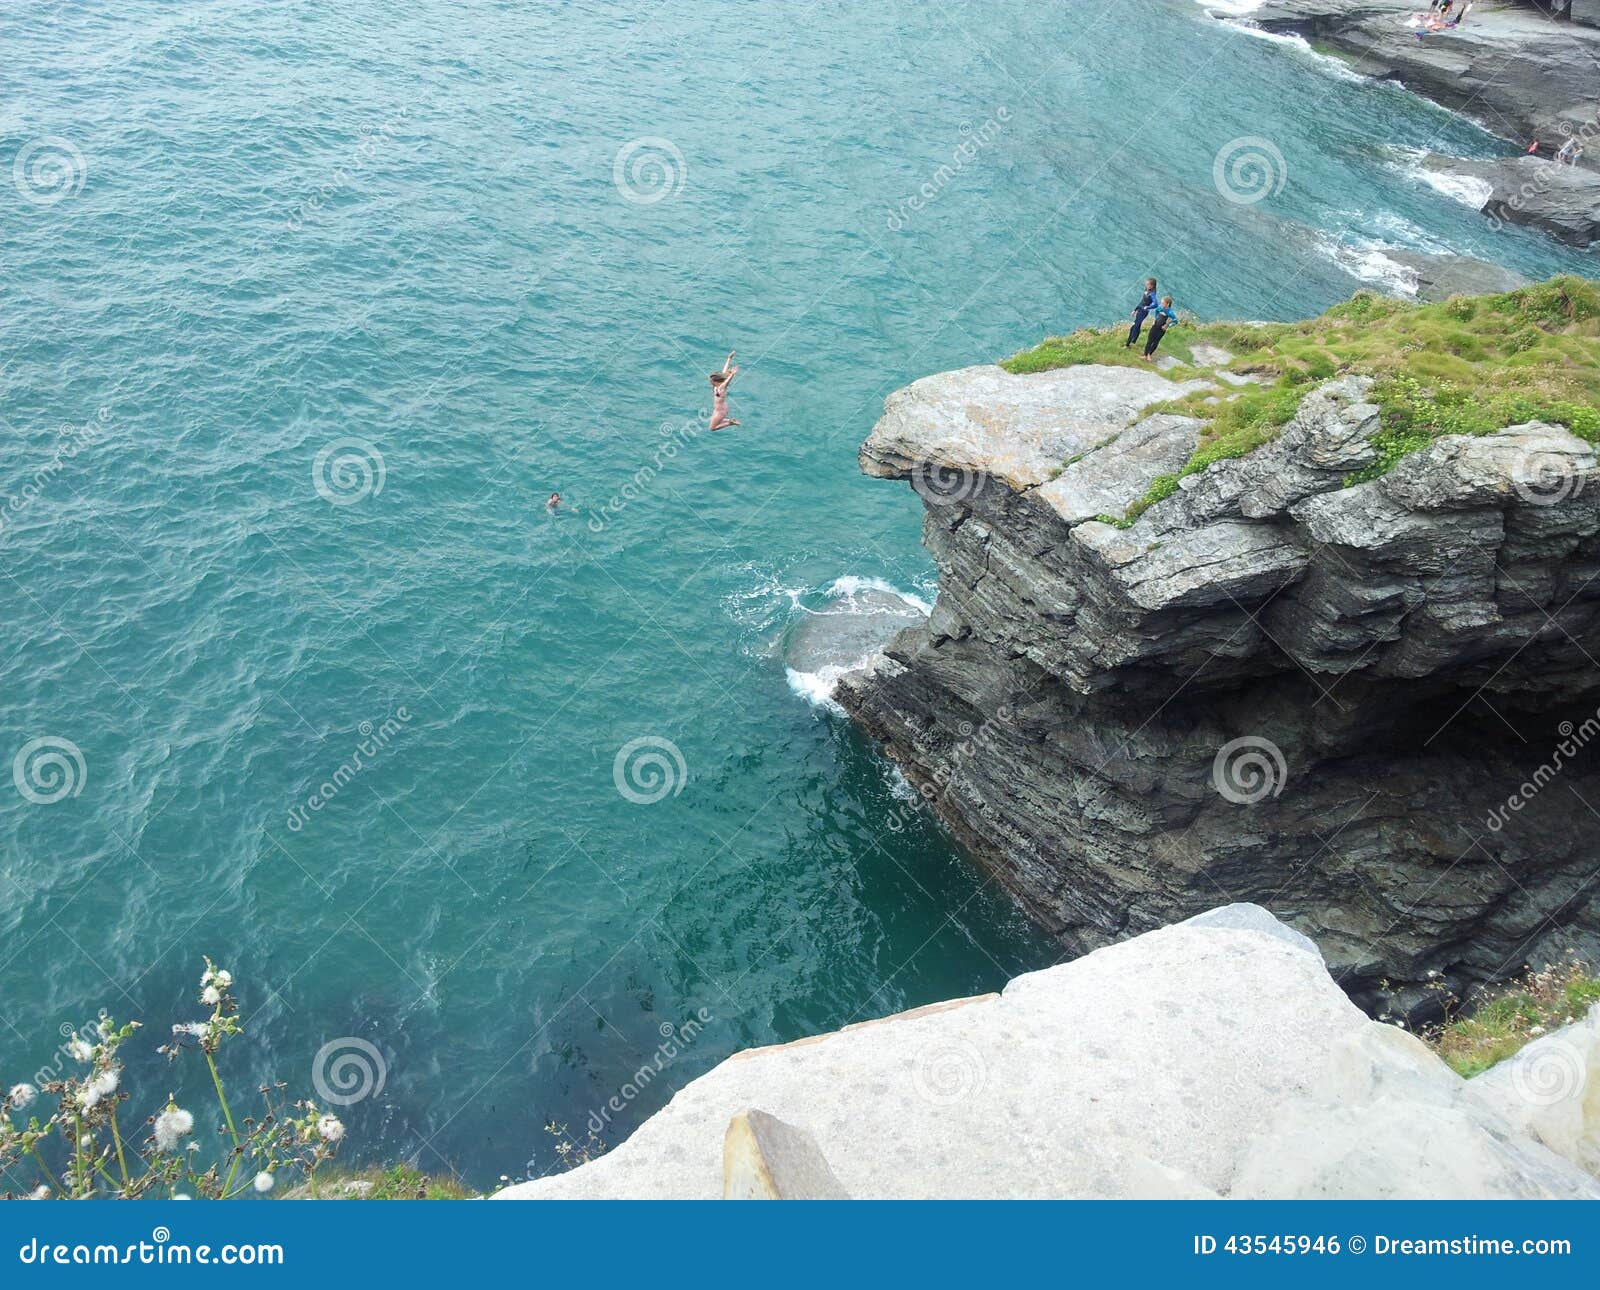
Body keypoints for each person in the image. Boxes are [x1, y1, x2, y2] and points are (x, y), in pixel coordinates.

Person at [708, 350, 740, 431]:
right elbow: (724, 372)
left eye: (712, 381)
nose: (710, 382)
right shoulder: (717, 386)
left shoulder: (721, 387)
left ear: (716, 382)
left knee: (712, 428)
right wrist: (729, 358)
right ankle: (729, 420)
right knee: (713, 421)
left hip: (721, 411)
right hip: (718, 409)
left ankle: (730, 423)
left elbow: (728, 381)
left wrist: (732, 374)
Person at [1142, 296, 1179, 361]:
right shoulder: (1160, 307)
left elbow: (1176, 321)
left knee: (1155, 342)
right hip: (1155, 326)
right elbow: (1156, 311)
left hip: (1161, 329)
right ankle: (1145, 355)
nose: (1161, 304)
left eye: (1163, 303)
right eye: (1161, 303)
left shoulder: (1170, 312)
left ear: (1167, 304)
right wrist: (1155, 319)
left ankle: (1149, 355)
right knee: (1149, 341)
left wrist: (1168, 325)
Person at [1125, 278, 1158, 348]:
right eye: (1146, 284)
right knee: (1137, 326)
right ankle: (1134, 340)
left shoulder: (1152, 294)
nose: (1146, 285)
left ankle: (1127, 344)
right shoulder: (1147, 290)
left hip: (1144, 312)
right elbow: (1142, 301)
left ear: (1152, 286)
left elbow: (1156, 304)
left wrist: (1148, 307)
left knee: (1134, 327)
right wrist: (1135, 310)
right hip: (1140, 310)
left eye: (1147, 284)